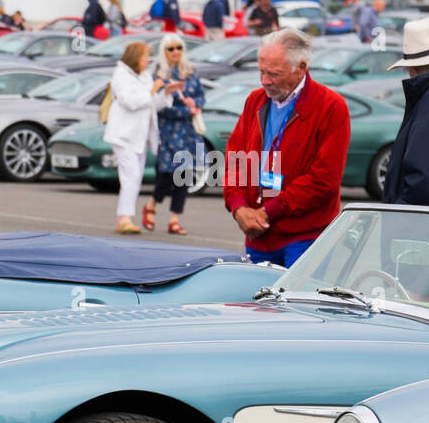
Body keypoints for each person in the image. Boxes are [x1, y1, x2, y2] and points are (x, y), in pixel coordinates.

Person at [222, 28, 349, 266]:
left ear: (300, 68)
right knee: (257, 302)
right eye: (261, 71)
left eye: (274, 74)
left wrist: (269, 211)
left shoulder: (331, 107)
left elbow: (324, 179)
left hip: (305, 237)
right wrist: (239, 207)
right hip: (258, 236)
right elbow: (235, 159)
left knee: (297, 303)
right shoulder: (255, 101)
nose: (265, 81)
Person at [103, 40, 170, 234]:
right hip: (122, 134)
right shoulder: (121, 75)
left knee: (135, 177)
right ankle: (123, 219)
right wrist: (152, 91)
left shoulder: (145, 76)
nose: (147, 60)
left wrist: (165, 94)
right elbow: (131, 102)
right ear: (135, 58)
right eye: (144, 57)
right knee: (131, 175)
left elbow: (150, 104)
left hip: (139, 136)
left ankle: (125, 218)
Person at [144, 34, 205, 235]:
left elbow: (202, 96)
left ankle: (174, 218)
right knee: (168, 172)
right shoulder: (157, 75)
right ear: (164, 51)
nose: (175, 52)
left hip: (188, 131)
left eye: (179, 47)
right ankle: (152, 204)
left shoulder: (190, 72)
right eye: (171, 48)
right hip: (168, 130)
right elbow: (159, 107)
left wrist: (194, 104)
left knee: (185, 173)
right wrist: (187, 110)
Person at [381, 17, 429, 205]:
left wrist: (398, 214)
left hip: (415, 229)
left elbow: (422, 181)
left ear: (413, 69)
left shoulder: (427, 101)